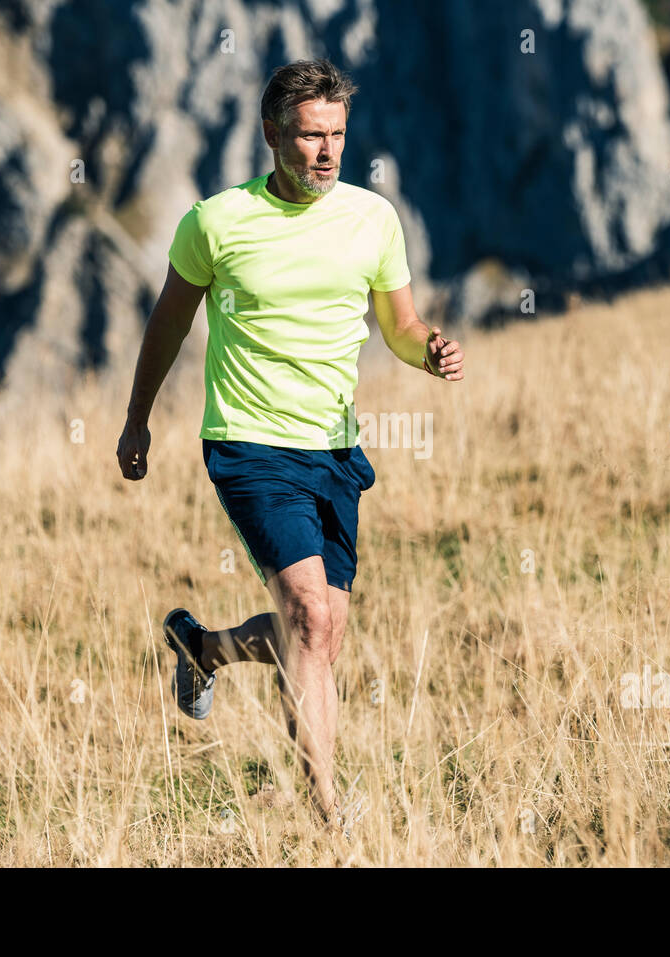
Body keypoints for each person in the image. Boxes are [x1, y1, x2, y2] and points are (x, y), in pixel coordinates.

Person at [116, 57, 464, 824]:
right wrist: (138, 417)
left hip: (334, 450)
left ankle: (205, 648)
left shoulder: (373, 219)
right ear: (274, 135)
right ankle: (325, 810)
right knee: (310, 614)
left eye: (338, 134)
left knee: (321, 631)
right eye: (311, 136)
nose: (328, 151)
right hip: (247, 443)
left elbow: (400, 327)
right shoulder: (215, 222)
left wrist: (430, 350)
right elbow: (168, 322)